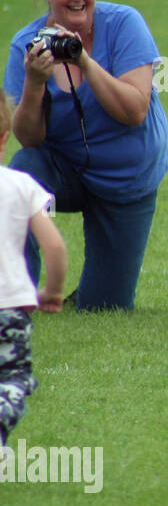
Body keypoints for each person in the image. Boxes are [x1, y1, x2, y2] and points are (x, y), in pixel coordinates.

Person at [4, 0, 168, 311]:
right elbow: (29, 138)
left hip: (128, 177)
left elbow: (134, 111)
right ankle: (17, 295)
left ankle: (95, 287)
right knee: (21, 175)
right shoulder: (25, 46)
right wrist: (34, 82)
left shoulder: (125, 23)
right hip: (64, 170)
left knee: (104, 307)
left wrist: (85, 61)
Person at [0, 94, 67, 450]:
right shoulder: (22, 186)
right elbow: (54, 247)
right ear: (5, 136)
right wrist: (52, 292)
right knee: (14, 378)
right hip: (11, 307)